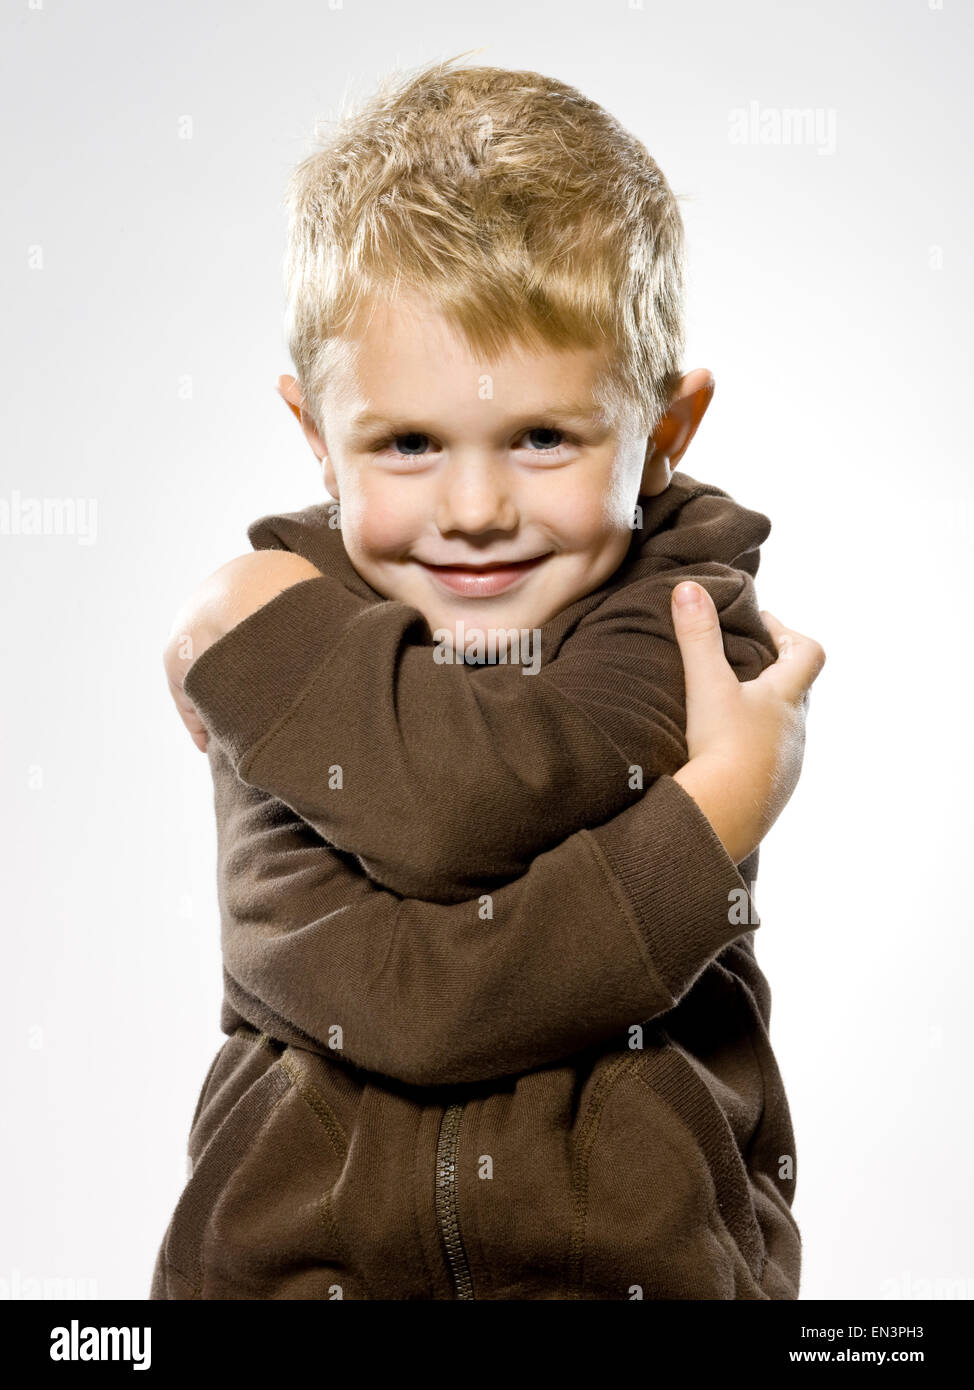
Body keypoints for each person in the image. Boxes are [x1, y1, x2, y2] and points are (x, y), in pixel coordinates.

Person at [152, 55, 826, 1300]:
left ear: (663, 432)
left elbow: (467, 801)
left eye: (541, 438)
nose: (472, 511)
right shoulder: (280, 618)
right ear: (315, 435)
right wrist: (702, 808)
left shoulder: (691, 627)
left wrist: (715, 810)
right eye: (407, 443)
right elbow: (407, 1005)